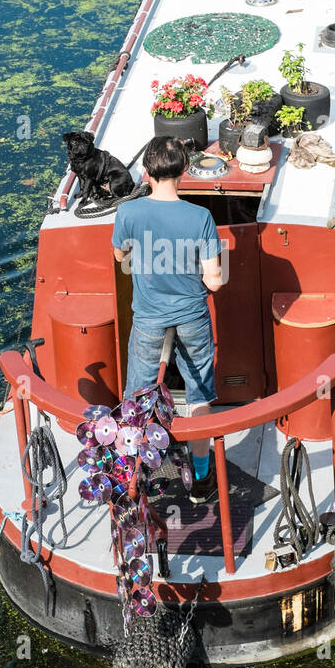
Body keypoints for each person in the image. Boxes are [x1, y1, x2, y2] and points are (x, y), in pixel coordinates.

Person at [112, 136, 224, 503]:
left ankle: (133, 475)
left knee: (138, 396)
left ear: (147, 171)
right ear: (183, 171)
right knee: (199, 393)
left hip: (148, 318)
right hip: (192, 315)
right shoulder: (201, 217)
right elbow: (214, 281)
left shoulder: (129, 212)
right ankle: (202, 480)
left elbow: (119, 254)